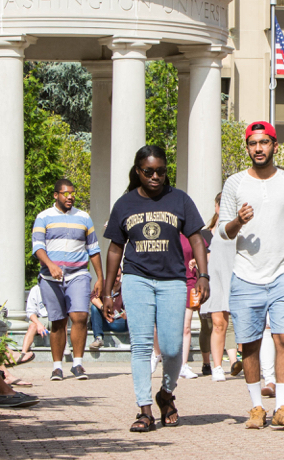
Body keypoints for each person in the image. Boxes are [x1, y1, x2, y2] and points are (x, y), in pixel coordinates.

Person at [101, 145, 209, 433]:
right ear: (138, 171)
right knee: (141, 345)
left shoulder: (180, 200)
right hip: (137, 279)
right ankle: (145, 410)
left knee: (173, 347)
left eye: (161, 171)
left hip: (173, 280)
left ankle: (166, 393)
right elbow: (114, 249)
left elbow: (197, 238)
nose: (156, 176)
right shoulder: (125, 204)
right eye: (149, 171)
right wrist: (108, 292)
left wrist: (203, 275)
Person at [219, 121, 284, 430]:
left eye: (264, 142)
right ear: (247, 147)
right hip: (246, 274)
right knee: (249, 343)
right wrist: (238, 221)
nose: (258, 148)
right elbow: (223, 231)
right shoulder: (234, 183)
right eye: (252, 143)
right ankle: (257, 408)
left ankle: (282, 406)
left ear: (274, 145)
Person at [31, 178, 103, 382]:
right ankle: (57, 367)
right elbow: (37, 246)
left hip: (78, 275)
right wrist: (51, 265)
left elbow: (94, 249)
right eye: (65, 193)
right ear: (56, 195)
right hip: (50, 277)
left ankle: (78, 364)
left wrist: (100, 278)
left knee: (80, 316)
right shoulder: (43, 217)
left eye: (72, 193)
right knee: (58, 321)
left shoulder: (83, 217)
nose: (70, 196)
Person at [200, 193, 241, 381]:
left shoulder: (239, 226)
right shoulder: (208, 231)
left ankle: (244, 360)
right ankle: (217, 366)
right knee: (218, 323)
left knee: (240, 324)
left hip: (236, 275)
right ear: (217, 207)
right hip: (216, 276)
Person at [178, 233, 200, 379]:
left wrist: (196, 260)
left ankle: (183, 365)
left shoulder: (191, 234)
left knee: (186, 327)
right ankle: (158, 352)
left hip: (189, 282)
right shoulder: (168, 231)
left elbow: (205, 252)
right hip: (169, 281)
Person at [89, 270, 127, 350]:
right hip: (104, 320)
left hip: (119, 321)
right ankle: (98, 338)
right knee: (94, 308)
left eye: (118, 276)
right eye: (114, 276)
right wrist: (103, 308)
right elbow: (93, 297)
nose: (116, 279)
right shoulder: (102, 284)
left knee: (130, 320)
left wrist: (125, 315)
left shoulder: (125, 287)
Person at [19, 284, 49, 364]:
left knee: (62, 320)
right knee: (32, 326)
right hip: (40, 318)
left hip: (54, 317)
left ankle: (66, 348)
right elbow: (31, 312)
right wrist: (38, 324)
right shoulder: (35, 290)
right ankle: (23, 353)